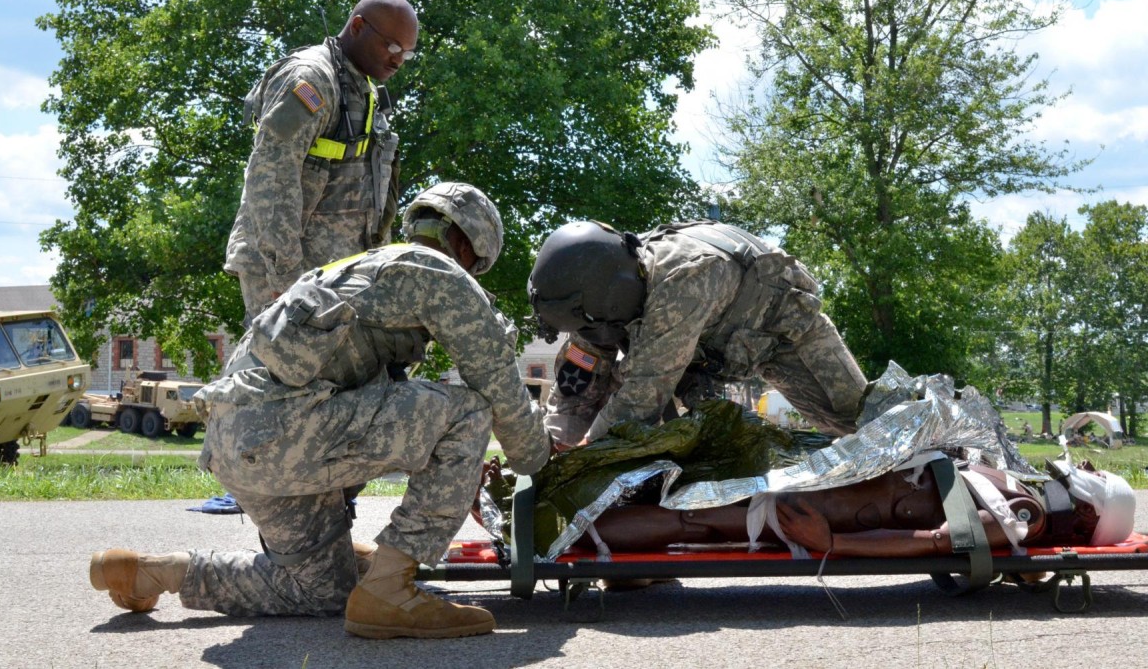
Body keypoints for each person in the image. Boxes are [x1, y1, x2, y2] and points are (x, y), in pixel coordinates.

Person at [90, 183, 553, 639]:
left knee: (320, 591)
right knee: (468, 412)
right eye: (477, 264)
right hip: (287, 437)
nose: (473, 274)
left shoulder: (348, 269)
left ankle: (156, 574)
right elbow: (502, 395)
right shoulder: (439, 274)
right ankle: (390, 588)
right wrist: (545, 463)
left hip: (237, 446)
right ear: (462, 243)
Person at [527, 219, 868, 446]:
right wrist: (552, 445)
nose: (588, 336)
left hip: (787, 332)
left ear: (614, 300)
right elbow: (577, 388)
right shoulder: (599, 293)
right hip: (709, 348)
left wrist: (582, 455)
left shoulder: (682, 283)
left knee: (861, 421)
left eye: (589, 327)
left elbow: (642, 397)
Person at [224, 0, 419, 325]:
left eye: (408, 54)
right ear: (358, 26)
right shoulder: (310, 80)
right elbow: (271, 181)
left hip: (333, 276)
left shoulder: (363, 89)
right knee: (284, 373)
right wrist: (289, 283)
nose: (398, 60)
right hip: (286, 276)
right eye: (392, 46)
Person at [576, 459, 1138, 558]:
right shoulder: (1016, 484)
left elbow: (939, 542)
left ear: (1089, 512)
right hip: (831, 481)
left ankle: (568, 538)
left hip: (818, 509)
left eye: (1093, 476)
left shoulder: (1024, 515)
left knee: (689, 520)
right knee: (683, 499)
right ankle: (570, 511)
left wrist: (833, 543)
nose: (1083, 468)